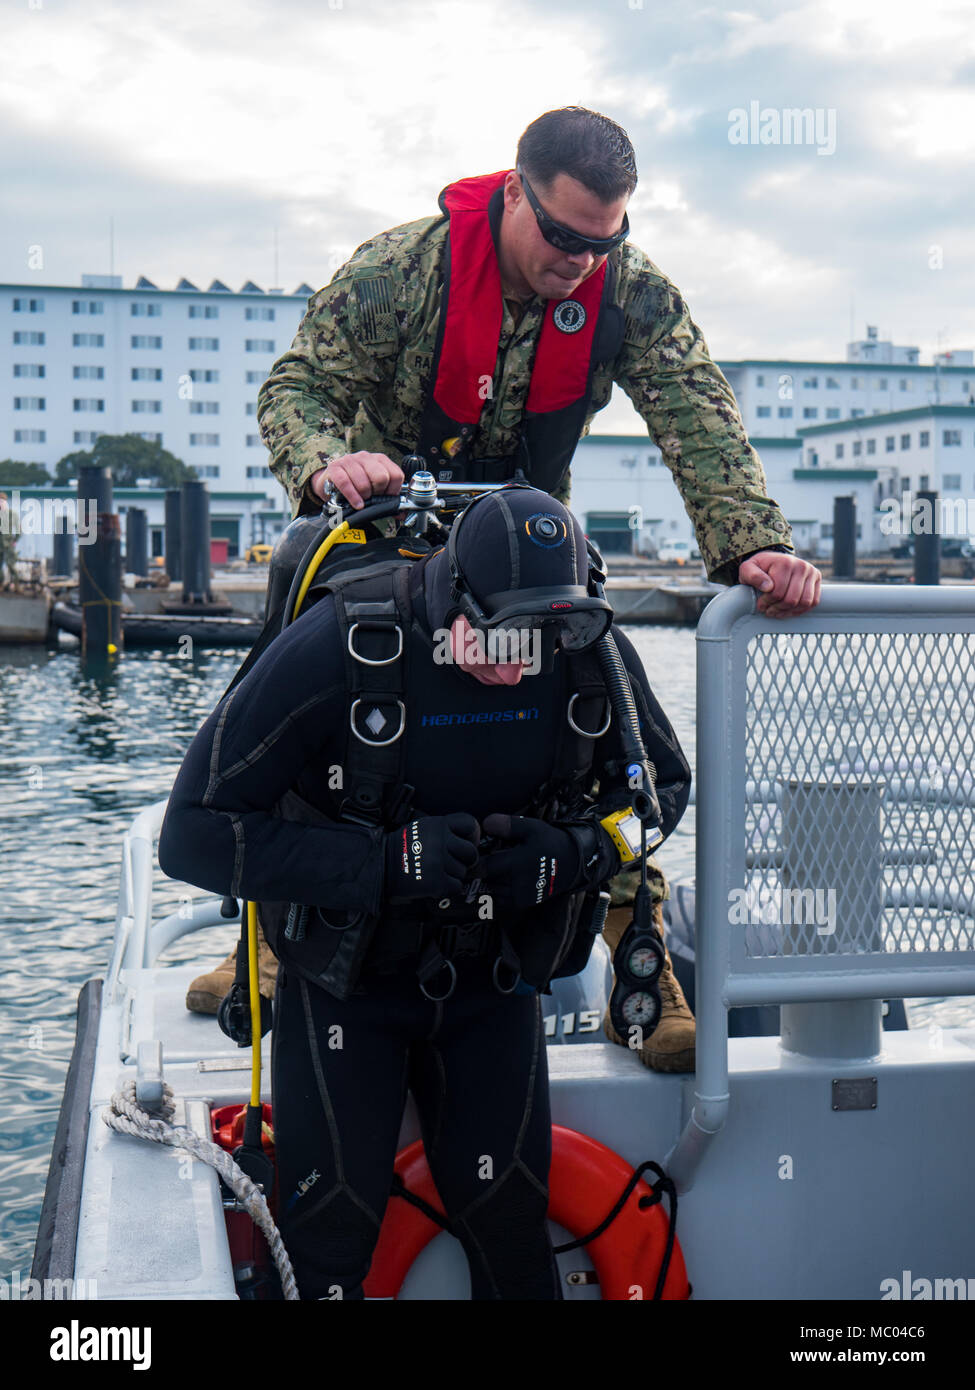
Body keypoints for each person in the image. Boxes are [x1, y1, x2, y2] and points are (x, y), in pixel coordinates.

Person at [193, 105, 822, 1069]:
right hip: (382, 530)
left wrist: (750, 549)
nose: (581, 261)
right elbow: (296, 387)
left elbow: (696, 418)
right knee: (303, 704)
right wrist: (330, 464)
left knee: (594, 726)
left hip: (530, 550)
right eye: (565, 236)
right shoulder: (403, 271)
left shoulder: (628, 293)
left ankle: (639, 961)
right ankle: (269, 944)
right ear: (515, 190)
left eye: (602, 243)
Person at [159, 486, 691, 1300]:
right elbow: (192, 833)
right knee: (328, 1245)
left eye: (539, 639)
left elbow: (658, 798)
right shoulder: (341, 644)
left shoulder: (588, 651)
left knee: (513, 1237)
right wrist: (377, 865)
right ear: (450, 595)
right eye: (498, 634)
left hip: (495, 983)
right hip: (347, 987)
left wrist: (574, 853)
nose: (516, 663)